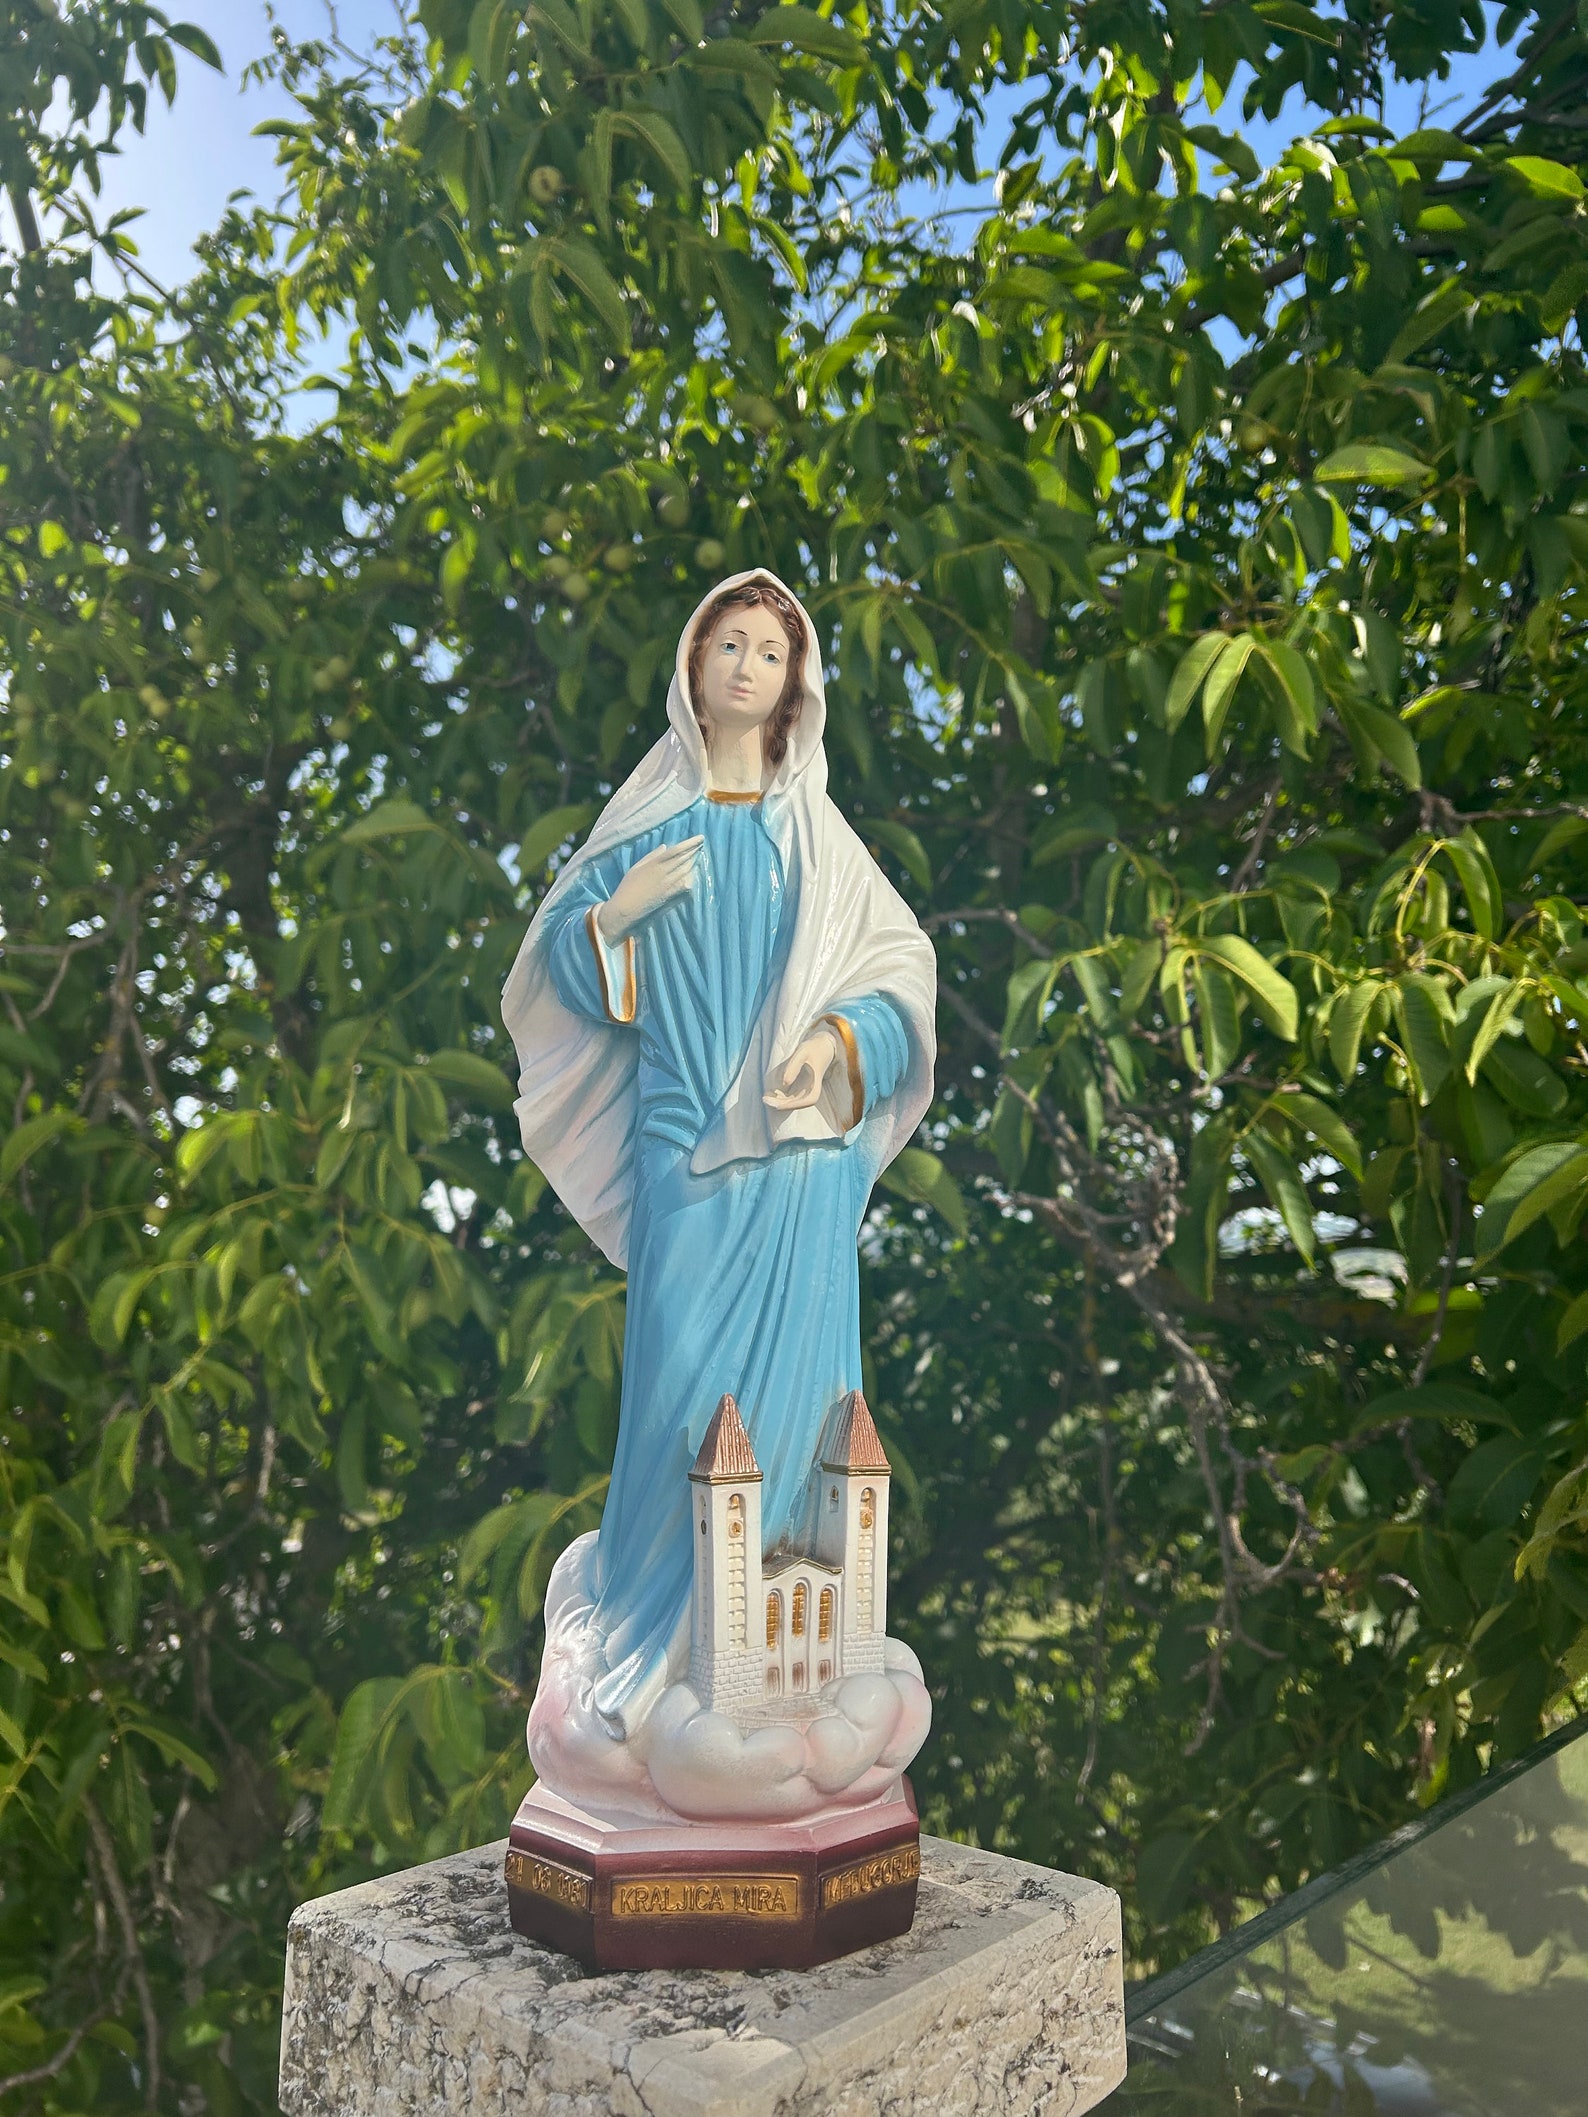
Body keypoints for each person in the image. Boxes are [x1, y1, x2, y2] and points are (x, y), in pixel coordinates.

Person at [501, 568, 936, 1784]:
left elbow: (902, 971)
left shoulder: (818, 836)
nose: (748, 663)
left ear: (797, 682)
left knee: (800, 1413)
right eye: (729, 641)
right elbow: (554, 978)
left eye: (769, 649)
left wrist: (839, 1043)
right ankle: (656, 1630)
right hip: (687, 1153)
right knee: (681, 1405)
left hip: (799, 1170)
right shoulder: (643, 828)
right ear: (692, 664)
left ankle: (790, 1659)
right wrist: (612, 918)